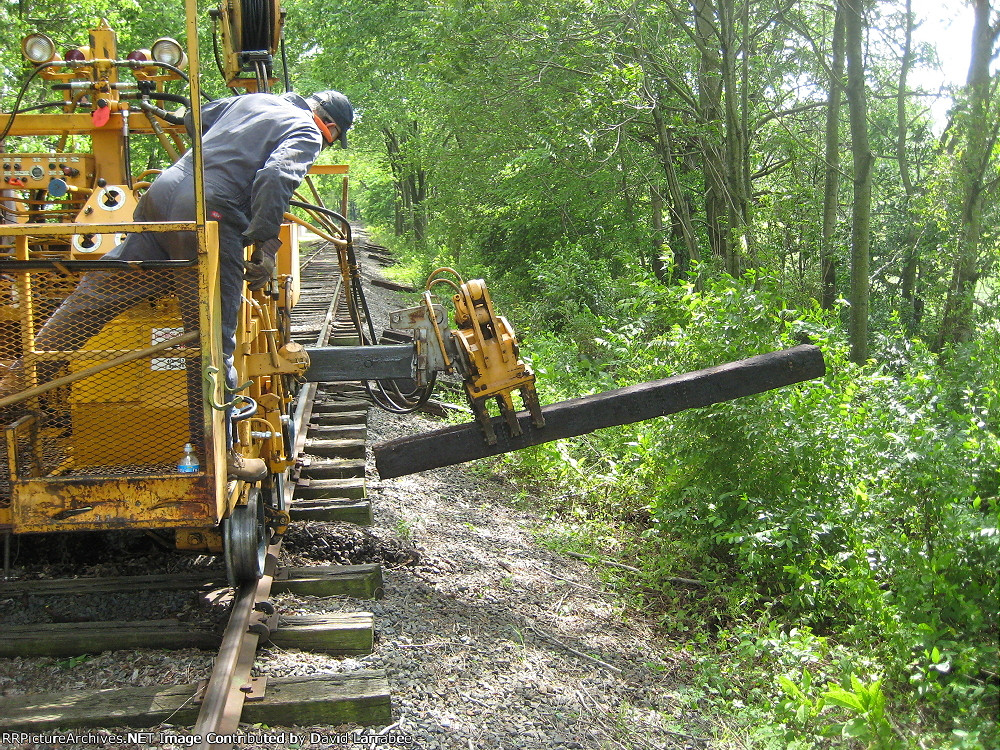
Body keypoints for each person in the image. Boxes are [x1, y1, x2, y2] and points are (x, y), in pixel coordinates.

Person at [5, 90, 354, 481]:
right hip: (207, 213)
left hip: (163, 194)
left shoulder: (255, 100)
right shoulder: (305, 130)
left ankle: (19, 378)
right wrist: (263, 242)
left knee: (98, 293)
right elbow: (275, 176)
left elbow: (192, 119)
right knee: (209, 339)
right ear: (331, 127)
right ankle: (218, 454)